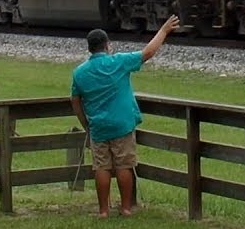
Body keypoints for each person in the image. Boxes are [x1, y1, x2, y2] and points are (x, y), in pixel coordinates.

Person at [71, 15, 180, 218]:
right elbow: (148, 52)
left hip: (98, 126)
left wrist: (85, 123)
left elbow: (75, 100)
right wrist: (164, 31)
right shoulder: (119, 62)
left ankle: (103, 210)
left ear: (89, 48)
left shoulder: (79, 73)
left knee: (101, 167)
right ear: (107, 45)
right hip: (122, 123)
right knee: (124, 165)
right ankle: (126, 207)